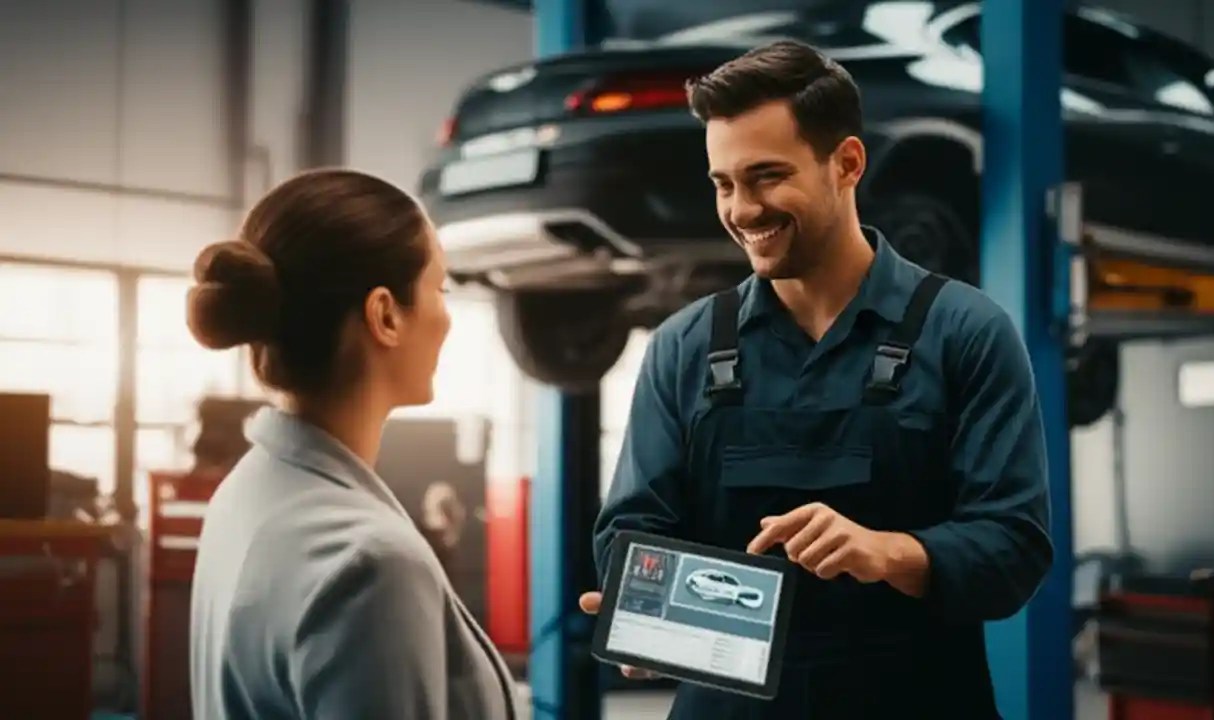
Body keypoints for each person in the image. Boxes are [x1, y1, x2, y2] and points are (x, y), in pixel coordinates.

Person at [579, 40, 1053, 719]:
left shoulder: (966, 333)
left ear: (848, 163)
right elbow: (630, 534)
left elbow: (1013, 547)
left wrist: (888, 552)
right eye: (724, 184)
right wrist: (651, 617)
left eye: (767, 177)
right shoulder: (684, 348)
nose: (742, 209)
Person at [187, 168, 517, 720]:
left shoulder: (245, 492)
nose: (447, 319)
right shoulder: (372, 566)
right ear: (385, 315)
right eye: (440, 289)